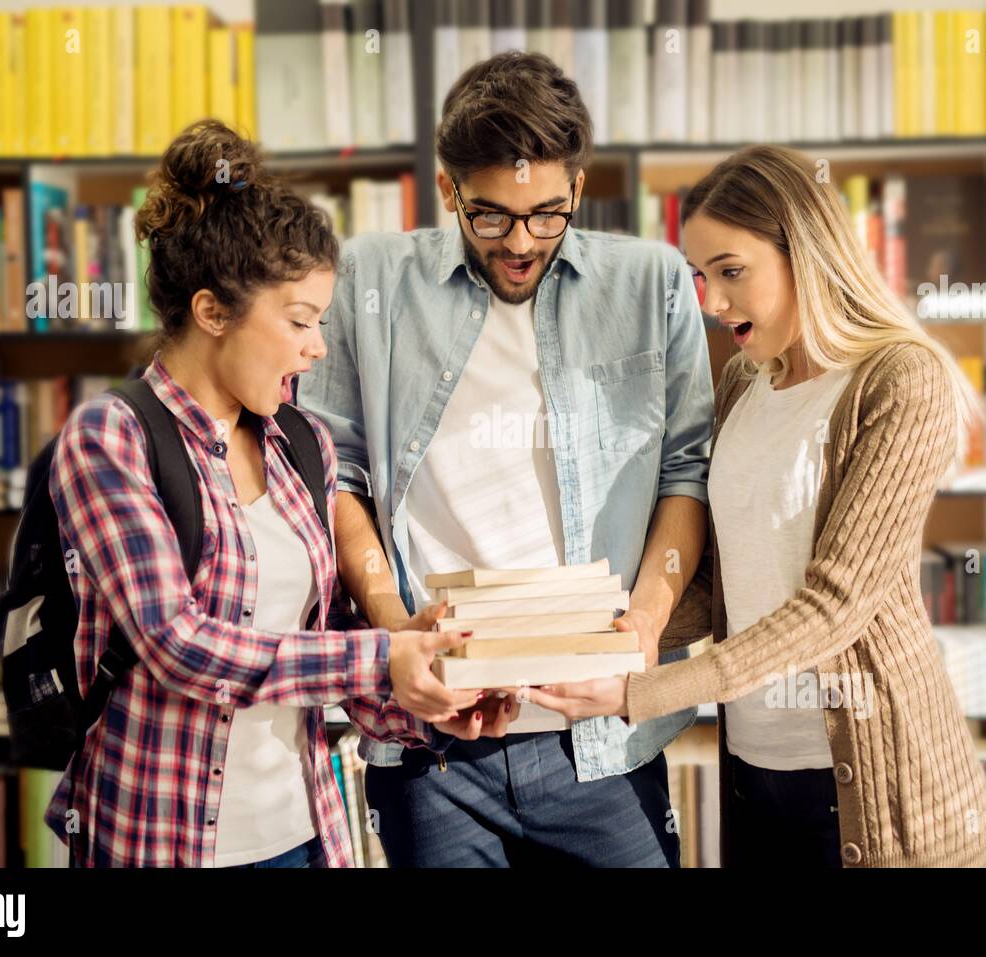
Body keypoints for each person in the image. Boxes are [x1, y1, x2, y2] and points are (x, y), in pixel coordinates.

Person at [46, 120, 511, 868]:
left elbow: (324, 648)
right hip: (156, 840)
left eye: (321, 321)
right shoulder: (111, 439)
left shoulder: (302, 443)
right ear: (211, 312)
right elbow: (179, 645)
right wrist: (383, 655)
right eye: (299, 320)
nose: (317, 346)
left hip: (301, 837)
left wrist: (429, 701)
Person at [526, 145, 986, 869]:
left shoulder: (901, 381)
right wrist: (589, 634)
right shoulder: (745, 383)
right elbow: (724, 583)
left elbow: (833, 605)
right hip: (752, 768)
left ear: (803, 251)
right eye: (701, 276)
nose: (711, 303)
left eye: (732, 272)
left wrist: (638, 691)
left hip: (875, 789)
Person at [297, 52, 714, 867]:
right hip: (434, 750)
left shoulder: (651, 282)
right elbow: (333, 474)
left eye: (547, 214)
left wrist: (647, 623)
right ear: (448, 190)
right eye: (490, 216)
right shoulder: (369, 281)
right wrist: (394, 637)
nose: (520, 244)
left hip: (605, 738)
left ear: (579, 188)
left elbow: (685, 470)